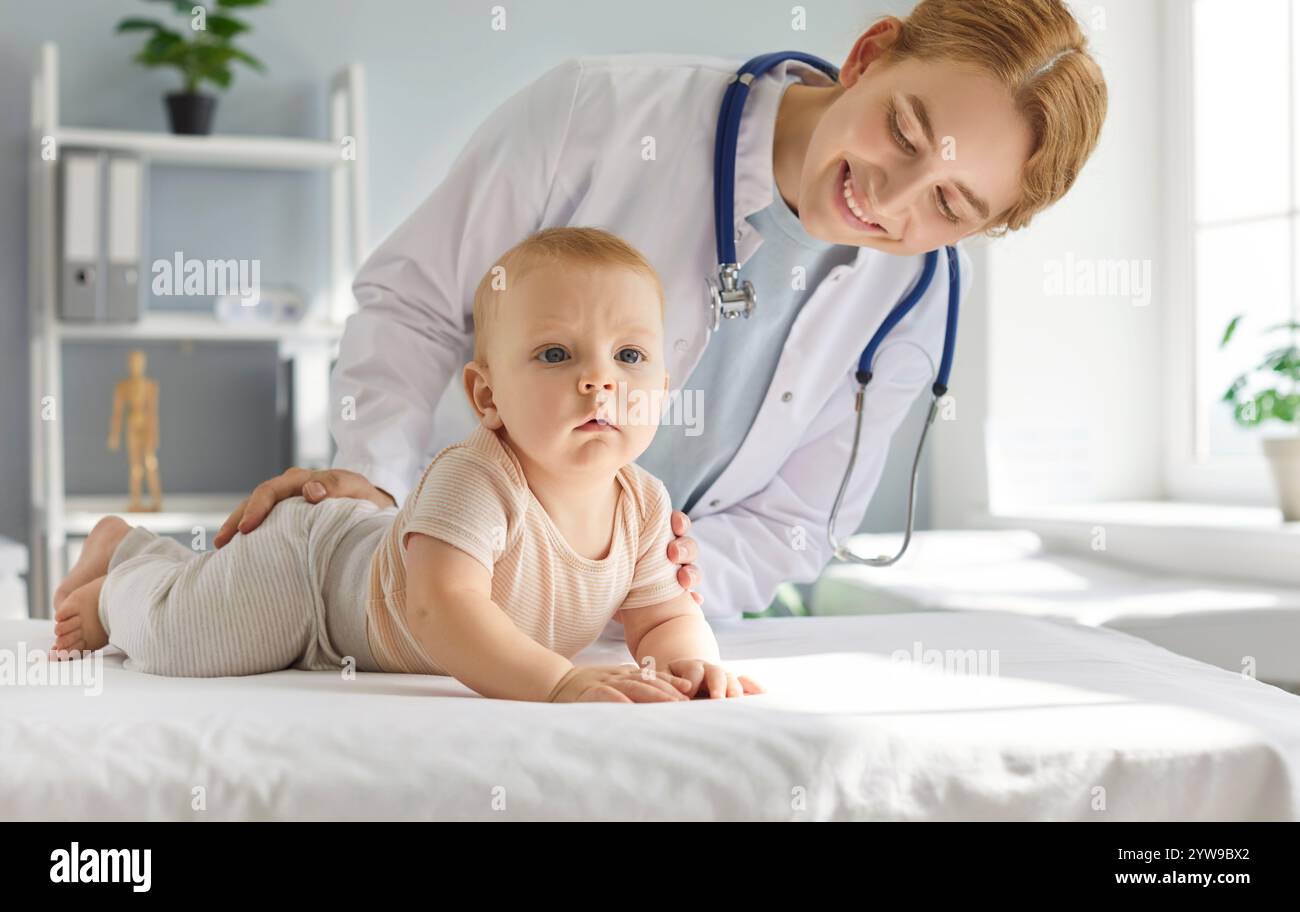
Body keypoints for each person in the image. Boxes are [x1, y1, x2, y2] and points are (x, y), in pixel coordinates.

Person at [215, 0, 1108, 621]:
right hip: (434, 543)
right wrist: (376, 480)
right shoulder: (596, 114)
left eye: (952, 205)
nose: (894, 195)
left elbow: (794, 521)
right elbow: (411, 303)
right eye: (904, 131)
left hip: (637, 615)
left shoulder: (916, 297)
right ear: (869, 55)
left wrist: (651, 587)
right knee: (245, 609)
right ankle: (125, 565)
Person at [49, 228, 764, 704]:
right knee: (189, 639)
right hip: (313, 574)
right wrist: (559, 686)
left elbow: (663, 612)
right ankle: (126, 573)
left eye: (631, 356)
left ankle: (135, 561)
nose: (600, 380)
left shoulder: (642, 503)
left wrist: (687, 661)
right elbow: (441, 607)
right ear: (488, 396)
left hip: (359, 588)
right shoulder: (477, 476)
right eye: (556, 354)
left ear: (664, 392)